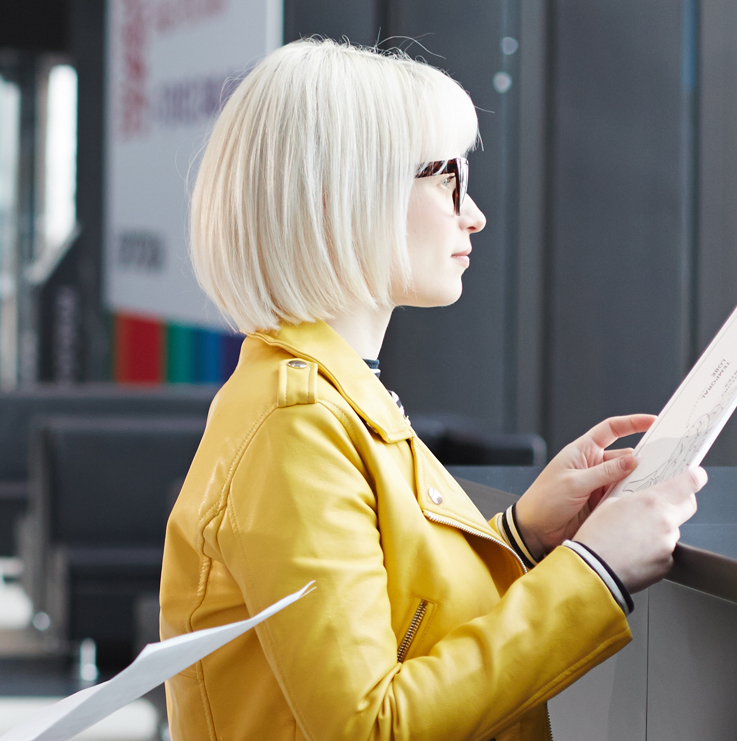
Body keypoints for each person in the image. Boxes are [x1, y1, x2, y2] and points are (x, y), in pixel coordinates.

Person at [164, 38, 705, 739]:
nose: (472, 213)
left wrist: (522, 535)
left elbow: (396, 616)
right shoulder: (297, 424)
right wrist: (594, 571)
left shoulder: (323, 394)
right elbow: (372, 726)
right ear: (345, 194)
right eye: (448, 177)